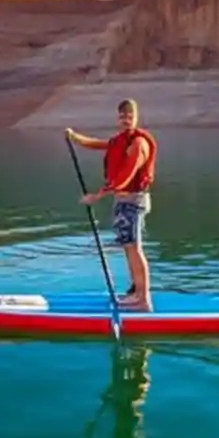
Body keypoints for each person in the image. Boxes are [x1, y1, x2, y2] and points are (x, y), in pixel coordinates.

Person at [65, 98, 158, 311]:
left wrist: (97, 196)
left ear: (136, 118)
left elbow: (126, 175)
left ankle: (143, 300)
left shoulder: (138, 144)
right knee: (129, 247)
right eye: (122, 116)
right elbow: (100, 144)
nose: (126, 120)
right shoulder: (120, 140)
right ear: (118, 118)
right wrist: (75, 138)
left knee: (135, 248)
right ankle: (136, 292)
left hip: (134, 202)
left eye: (130, 116)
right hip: (123, 201)